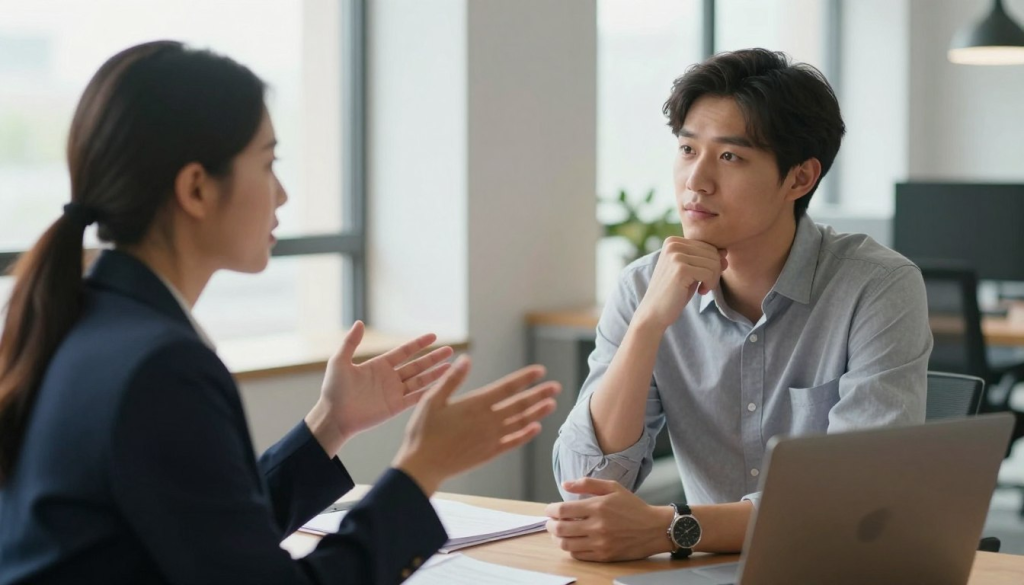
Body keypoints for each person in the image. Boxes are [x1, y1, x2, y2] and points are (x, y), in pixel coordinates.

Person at [0, 41, 559, 585]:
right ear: (196, 188)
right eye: (268, 163)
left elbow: (214, 536)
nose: (283, 194)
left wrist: (329, 425)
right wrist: (420, 470)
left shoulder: (89, 322)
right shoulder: (160, 366)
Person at [545, 48, 932, 562]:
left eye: (730, 156)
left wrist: (672, 529)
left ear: (800, 178)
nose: (696, 181)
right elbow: (585, 483)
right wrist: (646, 327)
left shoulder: (878, 287)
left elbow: (853, 498)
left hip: (839, 568)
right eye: (687, 149)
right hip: (710, 573)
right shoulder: (644, 286)